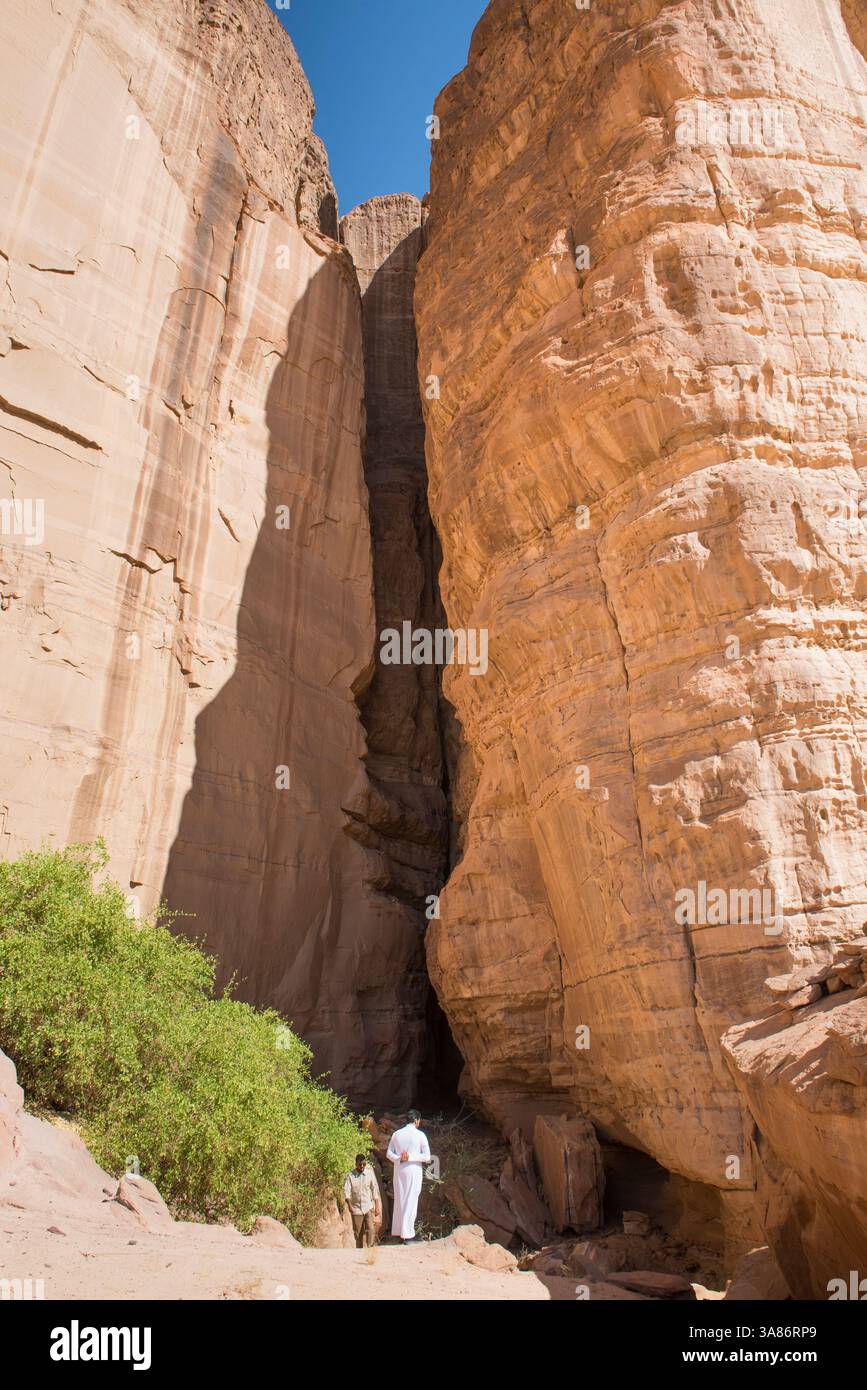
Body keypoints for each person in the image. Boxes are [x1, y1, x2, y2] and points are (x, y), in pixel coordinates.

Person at [386, 1108, 431, 1244]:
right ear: (416, 1120)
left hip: (399, 1169)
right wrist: (410, 1157)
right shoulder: (420, 1135)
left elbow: (389, 1154)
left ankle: (400, 1232)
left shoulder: (396, 1134)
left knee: (400, 1199)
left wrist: (400, 1158)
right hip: (413, 1169)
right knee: (411, 1200)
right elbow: (427, 1157)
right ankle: (408, 1235)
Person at [343, 1153, 382, 1249]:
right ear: (356, 1164)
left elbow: (374, 1190)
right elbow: (347, 1192)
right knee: (358, 1233)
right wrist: (350, 1206)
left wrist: (377, 1206)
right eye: (360, 1164)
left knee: (371, 1229)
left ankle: (370, 1249)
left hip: (368, 1207)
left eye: (364, 1164)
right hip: (356, 1209)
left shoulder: (369, 1174)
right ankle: (359, 1251)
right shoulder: (350, 1176)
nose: (362, 1166)